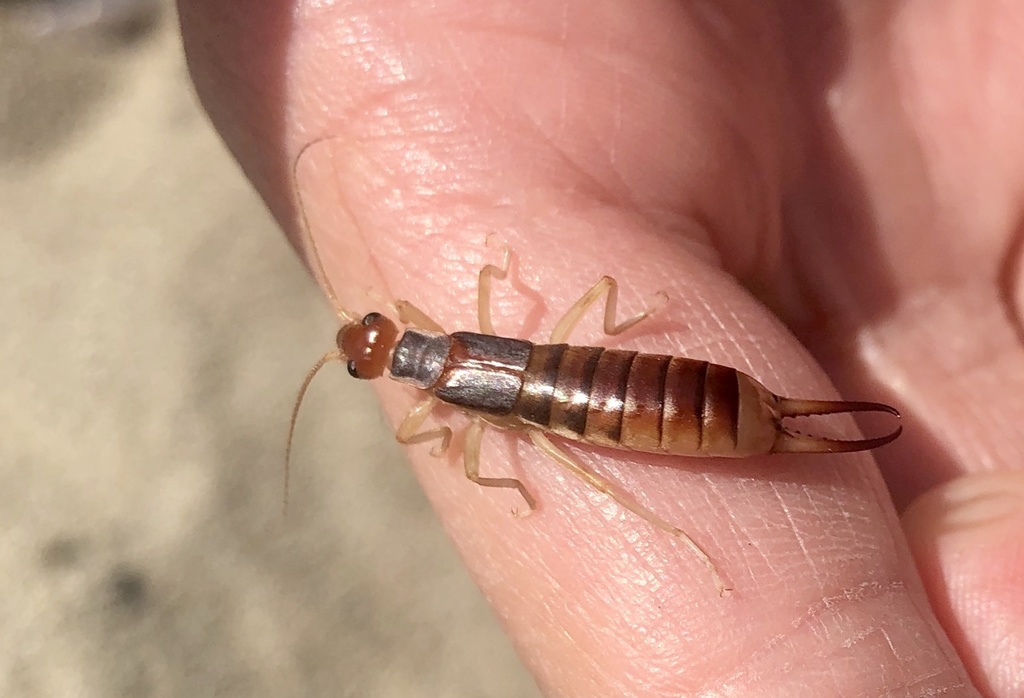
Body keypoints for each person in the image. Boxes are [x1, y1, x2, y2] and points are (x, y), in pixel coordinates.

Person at [179, 1, 1023, 695]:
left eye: (374, 343)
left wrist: (502, 471)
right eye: (371, 348)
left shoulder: (438, 401)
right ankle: (706, 495)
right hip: (596, 380)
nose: (378, 340)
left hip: (588, 397)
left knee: (606, 479)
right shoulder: (454, 337)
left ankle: (705, 500)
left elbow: (474, 464)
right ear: (395, 340)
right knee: (619, 445)